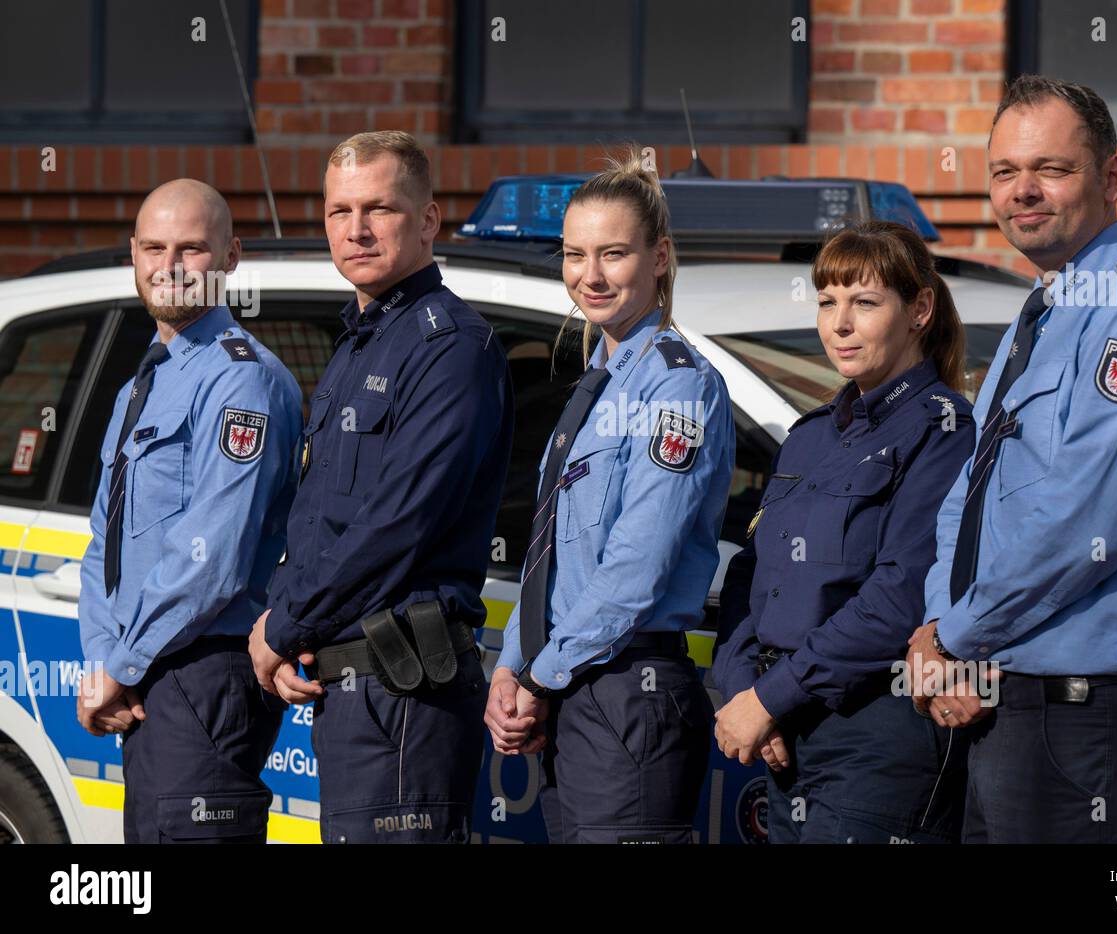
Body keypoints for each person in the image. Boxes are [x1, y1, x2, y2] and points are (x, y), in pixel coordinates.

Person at [907, 75, 1117, 843]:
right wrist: (943, 623)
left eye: (1051, 168)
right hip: (1001, 700)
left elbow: (1085, 520)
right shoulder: (1044, 310)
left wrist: (954, 639)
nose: (1023, 191)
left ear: (1111, 178)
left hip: (1081, 725)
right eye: (1005, 172)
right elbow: (969, 494)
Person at [247, 131, 514, 844]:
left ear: (427, 220)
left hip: (404, 699)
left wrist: (285, 625)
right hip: (354, 693)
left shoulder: (450, 347)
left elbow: (400, 520)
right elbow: (319, 520)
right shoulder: (361, 341)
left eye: (379, 209)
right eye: (339, 211)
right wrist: (288, 614)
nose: (355, 230)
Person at [484, 147, 735, 844]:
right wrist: (512, 666)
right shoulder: (597, 385)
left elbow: (637, 563)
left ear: (659, 258)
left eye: (613, 254)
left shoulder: (677, 384)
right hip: (574, 690)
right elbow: (553, 556)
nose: (589, 276)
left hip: (628, 695)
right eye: (574, 255)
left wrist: (539, 678)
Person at [712, 221, 975, 843]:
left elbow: (899, 596)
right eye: (828, 301)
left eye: (865, 302)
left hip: (871, 737)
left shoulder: (942, 433)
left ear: (920, 309)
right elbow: (753, 574)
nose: (839, 324)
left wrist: (770, 698)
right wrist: (743, 688)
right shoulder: (811, 435)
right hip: (783, 731)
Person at [76, 178, 302, 843]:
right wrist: (102, 661)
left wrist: (121, 666)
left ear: (231, 257)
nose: (169, 267)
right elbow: (102, 541)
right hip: (145, 676)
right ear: (133, 254)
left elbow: (214, 556)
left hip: (207, 676)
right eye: (154, 247)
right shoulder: (140, 384)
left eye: (192, 249)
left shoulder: (244, 381)